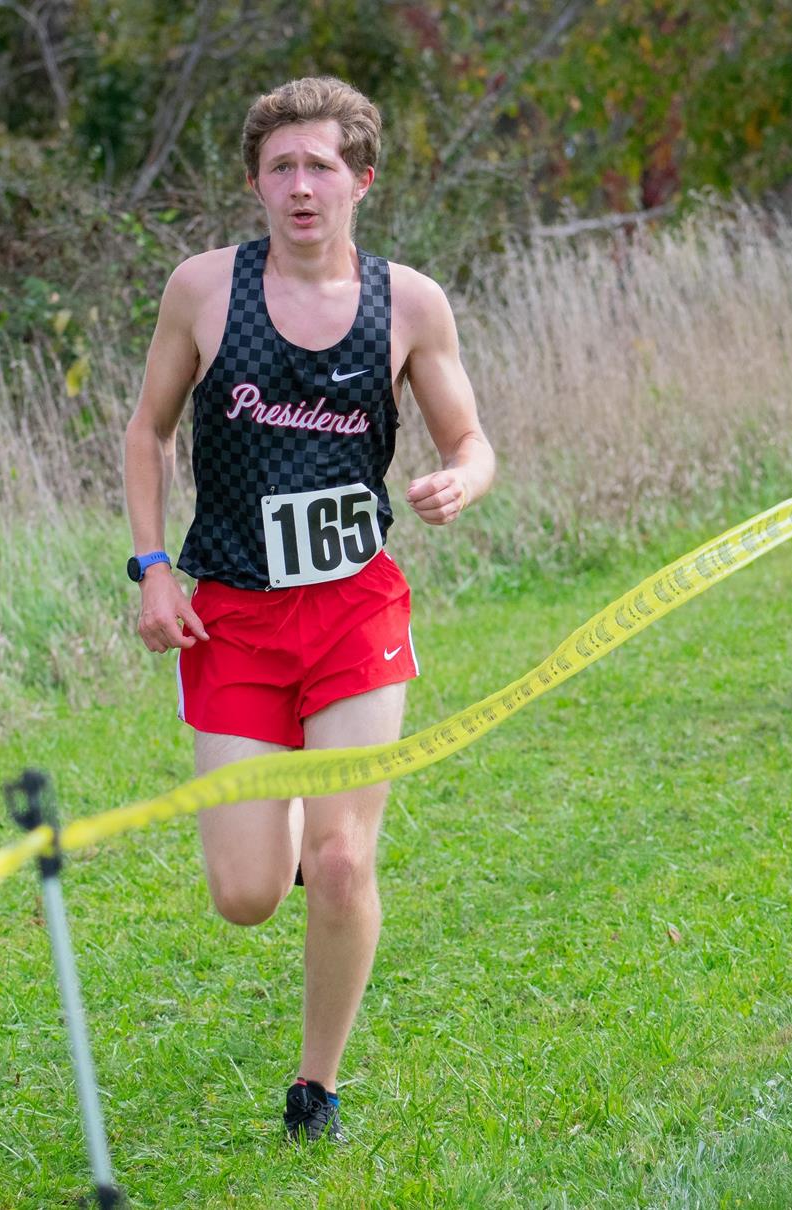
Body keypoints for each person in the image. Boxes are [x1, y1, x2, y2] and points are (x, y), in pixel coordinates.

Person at [120, 76, 496, 1142]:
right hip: (232, 616)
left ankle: (313, 1088)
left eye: (319, 166)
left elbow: (470, 440)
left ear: (359, 180)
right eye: (279, 167)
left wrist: (461, 479)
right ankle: (280, 837)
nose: (298, 186)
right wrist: (152, 565)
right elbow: (146, 433)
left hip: (353, 615)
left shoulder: (408, 304)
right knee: (245, 894)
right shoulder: (201, 291)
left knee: (341, 860)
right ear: (254, 184)